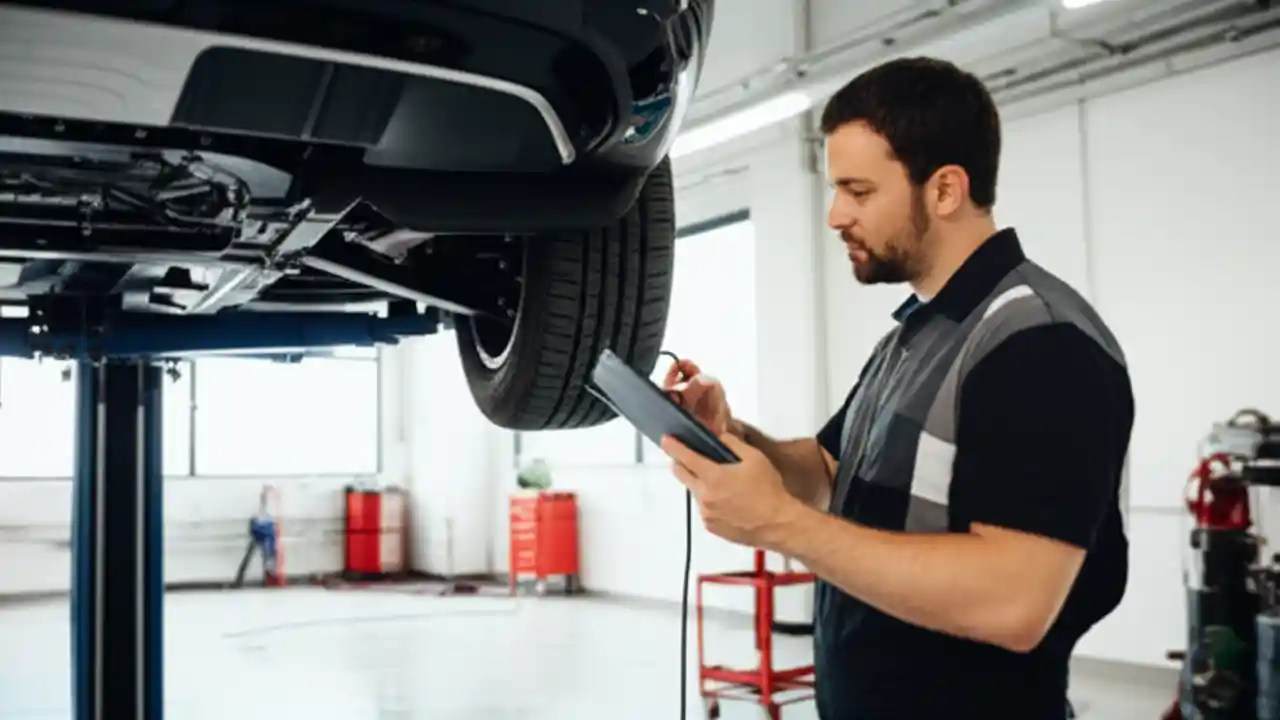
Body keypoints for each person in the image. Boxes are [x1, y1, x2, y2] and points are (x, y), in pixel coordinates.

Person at [659, 56, 1132, 719]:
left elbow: (1016, 602)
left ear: (944, 190)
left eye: (857, 191)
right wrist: (731, 434)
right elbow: (827, 470)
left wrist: (781, 525)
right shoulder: (916, 335)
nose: (833, 216)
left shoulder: (1040, 344)